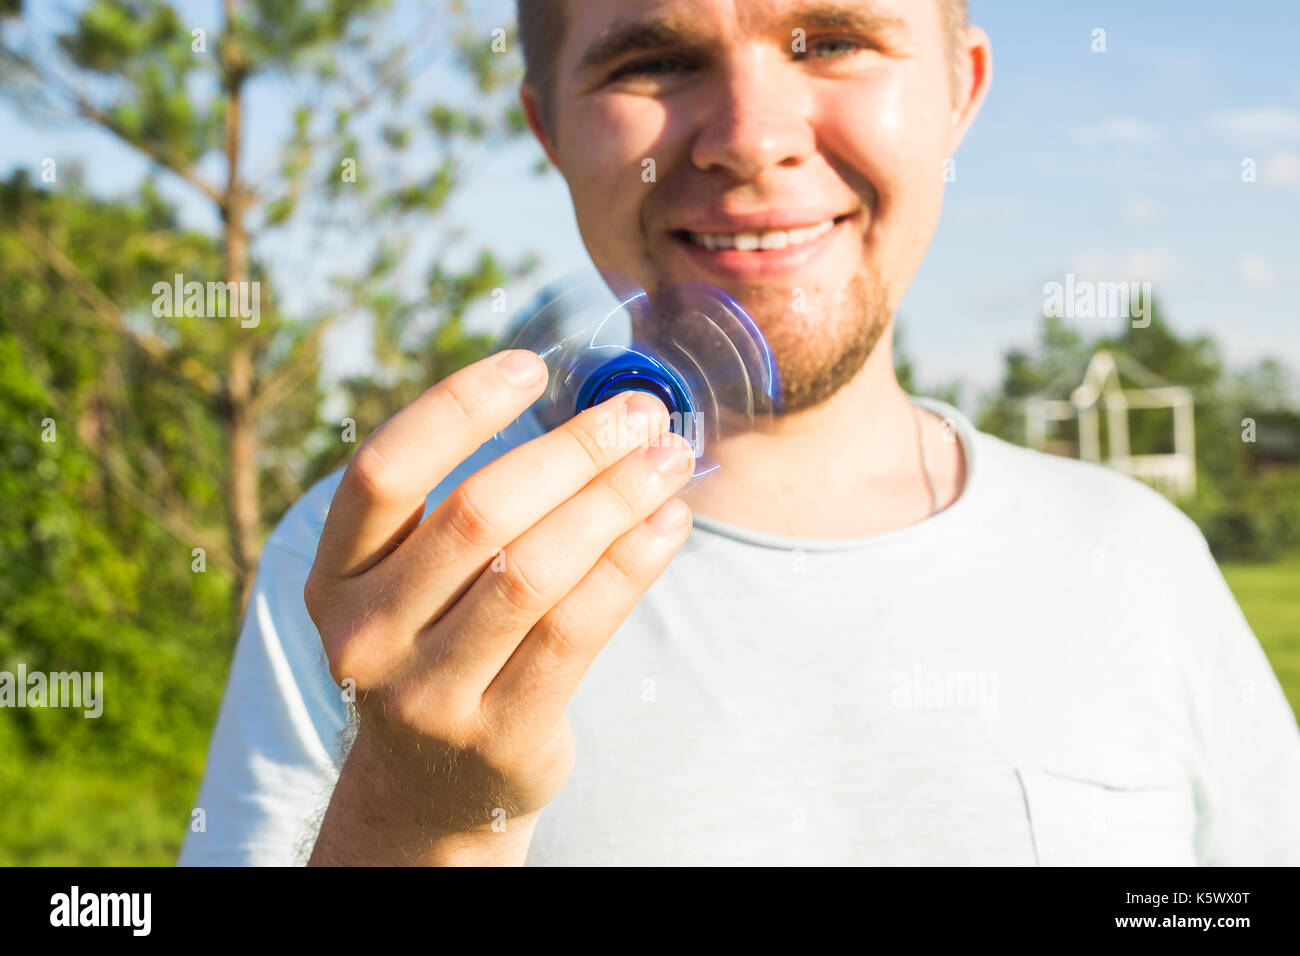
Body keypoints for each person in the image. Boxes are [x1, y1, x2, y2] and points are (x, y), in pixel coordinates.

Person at [179, 0, 1300, 866]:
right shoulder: (373, 564)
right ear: (549, 127)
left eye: (832, 39)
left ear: (959, 93)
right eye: (653, 58)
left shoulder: (1139, 557)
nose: (751, 140)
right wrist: (418, 817)